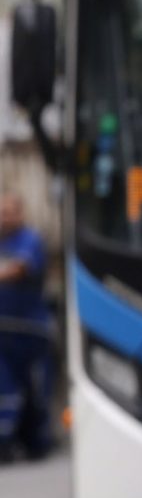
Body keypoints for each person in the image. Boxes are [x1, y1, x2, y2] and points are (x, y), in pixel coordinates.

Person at [0, 193, 54, 461]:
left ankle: (38, 442)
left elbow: (19, 269)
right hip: (2, 331)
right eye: (2, 212)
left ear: (20, 213)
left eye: (10, 212)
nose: (5, 217)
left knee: (34, 389)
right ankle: (5, 443)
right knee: (4, 388)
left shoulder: (29, 240)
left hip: (30, 332)